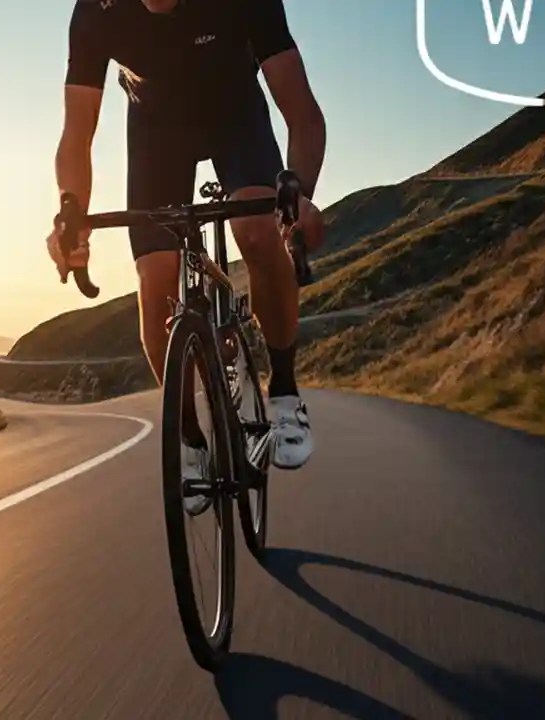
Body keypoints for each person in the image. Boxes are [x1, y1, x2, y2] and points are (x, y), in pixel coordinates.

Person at [46, 0, 327, 482]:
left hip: (235, 112)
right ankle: (191, 438)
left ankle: (282, 391)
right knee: (155, 285)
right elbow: (77, 132)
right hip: (156, 129)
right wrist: (71, 210)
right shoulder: (97, 9)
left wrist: (297, 199)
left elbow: (302, 114)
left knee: (259, 234)